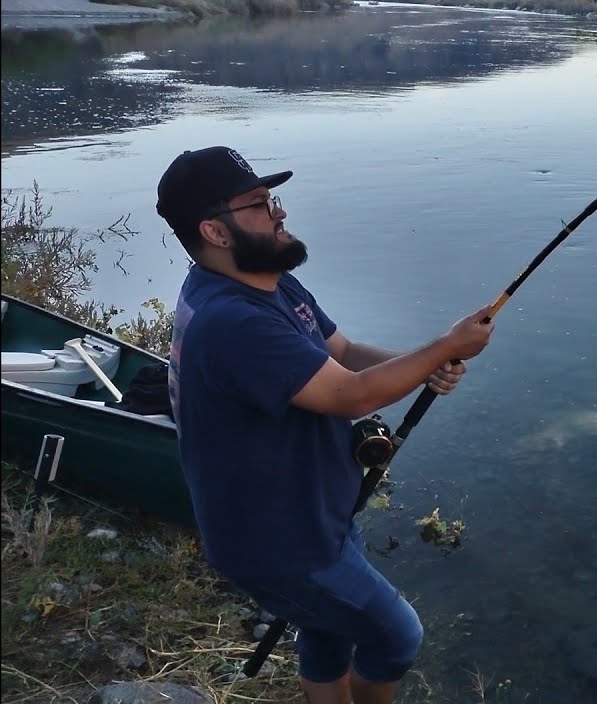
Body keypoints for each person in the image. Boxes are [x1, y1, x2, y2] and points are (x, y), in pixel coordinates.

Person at [155, 146, 495, 704]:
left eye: (273, 199)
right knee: (395, 634)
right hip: (277, 540)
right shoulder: (232, 321)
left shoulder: (266, 280)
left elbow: (344, 353)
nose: (279, 213)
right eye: (260, 204)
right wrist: (445, 345)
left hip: (313, 514)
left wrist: (428, 362)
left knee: (329, 631)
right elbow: (349, 394)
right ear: (215, 232)